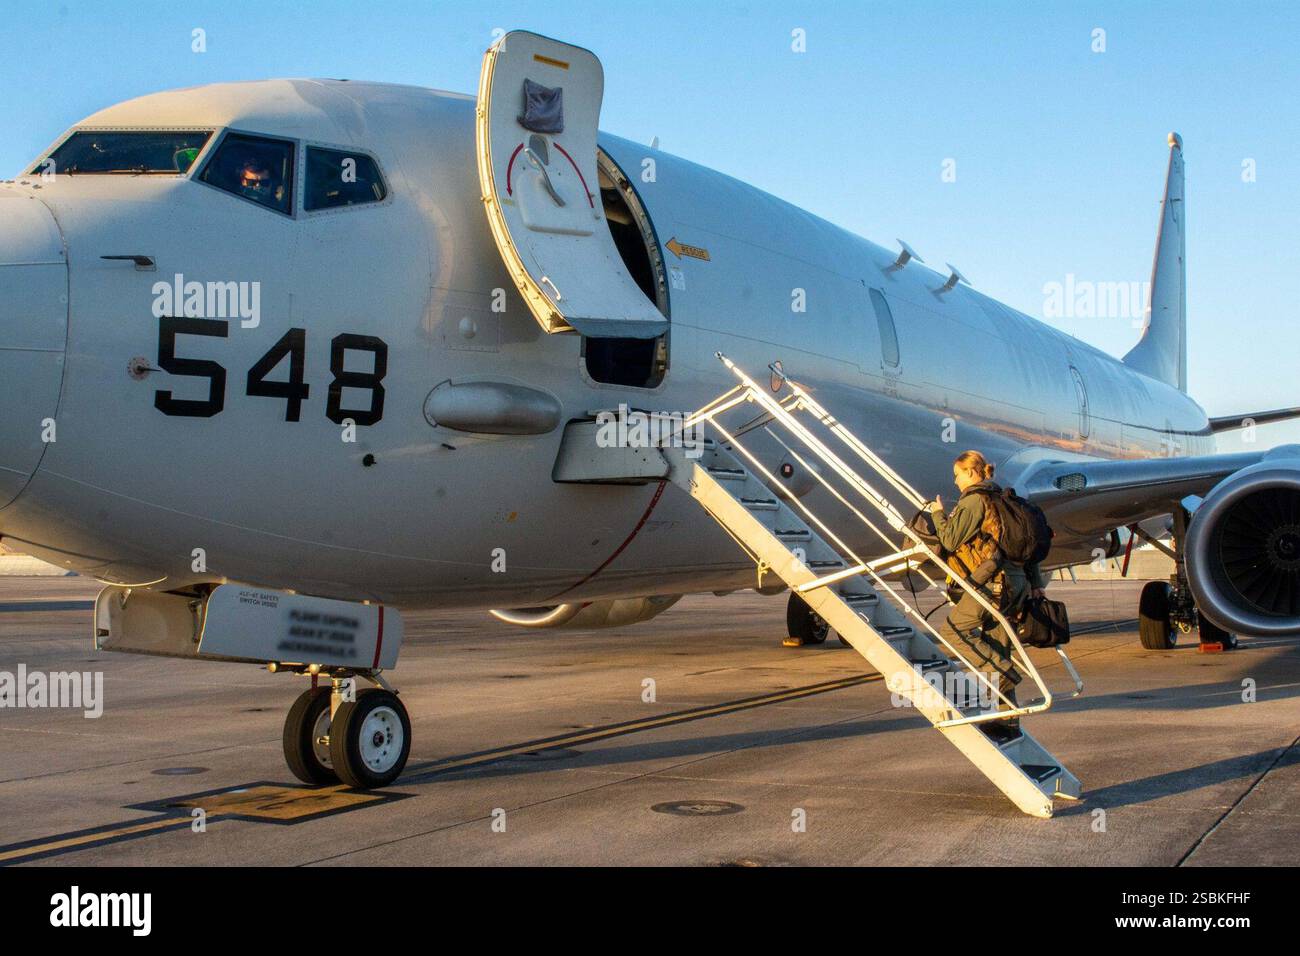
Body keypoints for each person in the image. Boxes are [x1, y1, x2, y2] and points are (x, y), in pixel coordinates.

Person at [926, 450, 1046, 732]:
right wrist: (1036, 585)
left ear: (971, 472)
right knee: (996, 647)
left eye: (957, 475)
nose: (955, 482)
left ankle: (1006, 675)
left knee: (954, 631)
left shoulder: (974, 500)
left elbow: (951, 539)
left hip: (991, 583)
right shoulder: (1004, 499)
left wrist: (938, 514)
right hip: (1015, 583)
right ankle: (1006, 720)